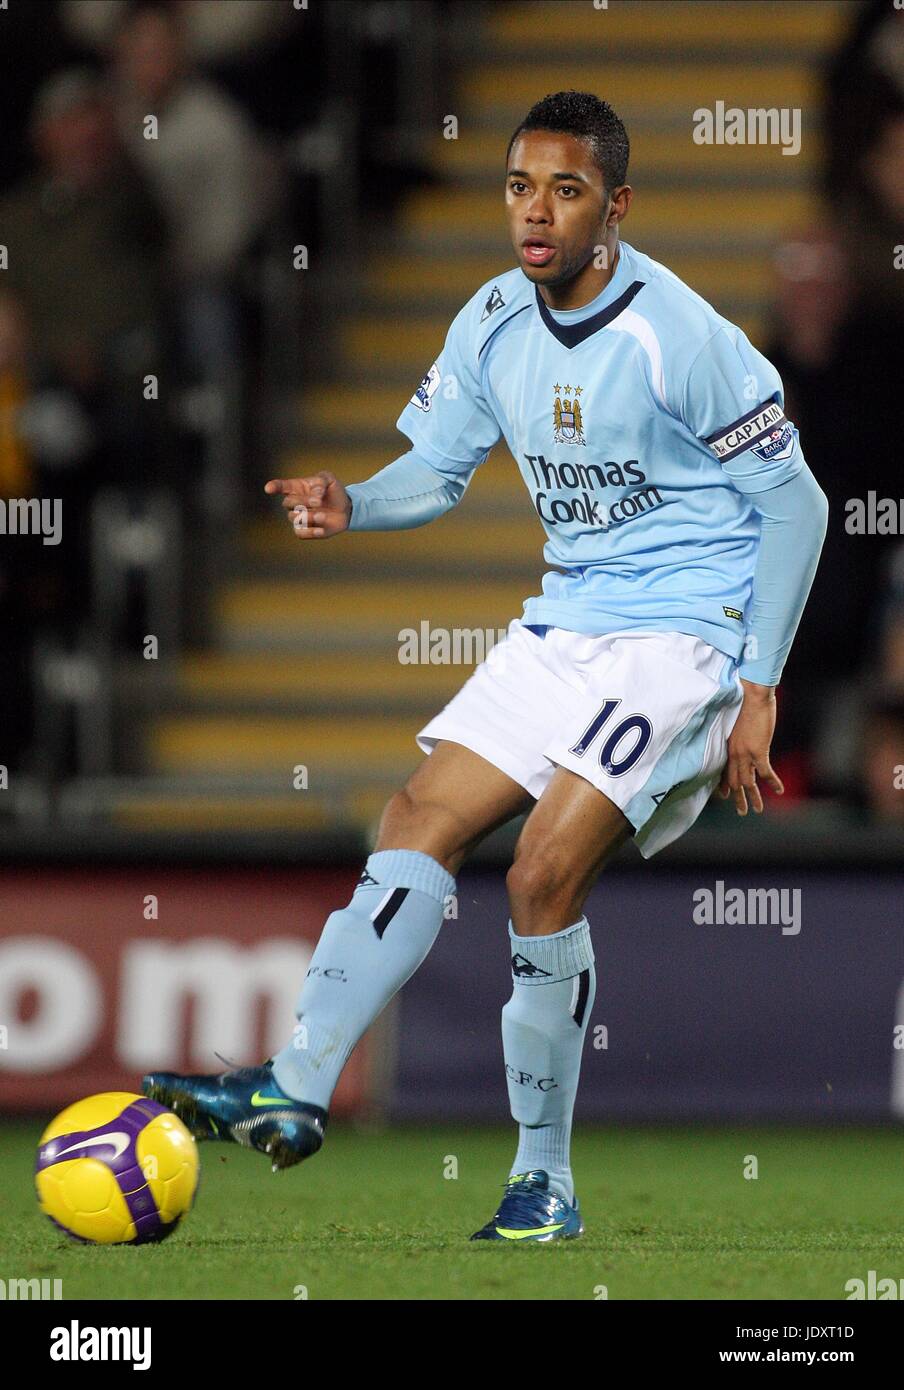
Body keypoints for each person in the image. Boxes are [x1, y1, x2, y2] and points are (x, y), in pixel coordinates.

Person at [144, 92, 828, 1243]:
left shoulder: (680, 333)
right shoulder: (493, 318)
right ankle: (292, 1086)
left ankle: (542, 1181)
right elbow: (439, 469)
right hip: (566, 620)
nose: (535, 211)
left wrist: (756, 684)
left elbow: (797, 505)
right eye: (519, 186)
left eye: (564, 190)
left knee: (539, 873)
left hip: (679, 638)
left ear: (616, 205)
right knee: (413, 817)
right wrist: (352, 501)